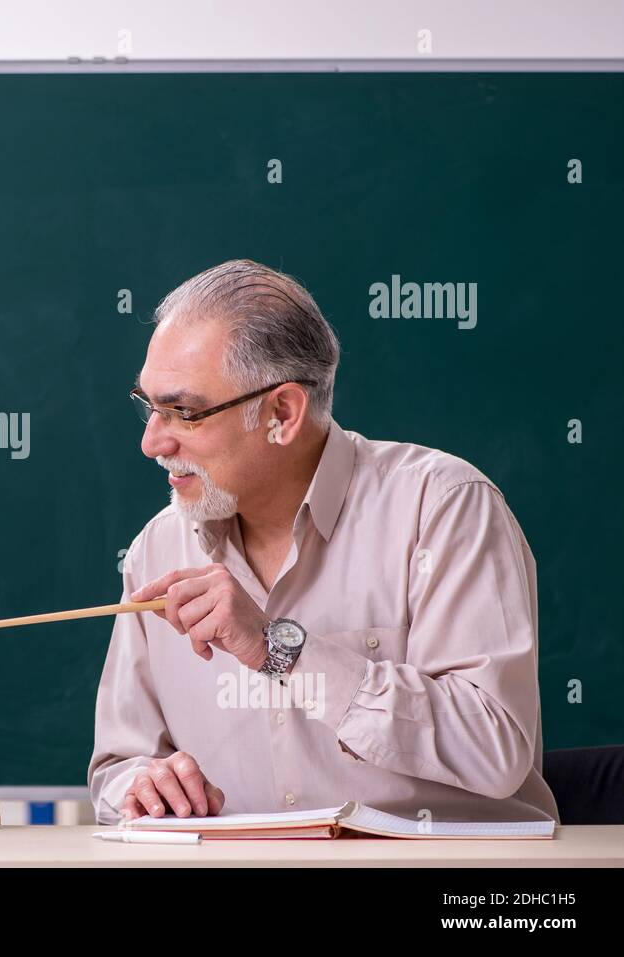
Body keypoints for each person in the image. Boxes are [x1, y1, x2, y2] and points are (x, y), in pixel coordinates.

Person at [89, 259, 557, 827]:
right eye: (149, 406)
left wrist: (280, 648)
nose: (151, 442)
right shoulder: (156, 550)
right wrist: (142, 786)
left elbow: (496, 746)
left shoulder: (443, 506)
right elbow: (117, 767)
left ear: (281, 413)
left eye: (184, 412)